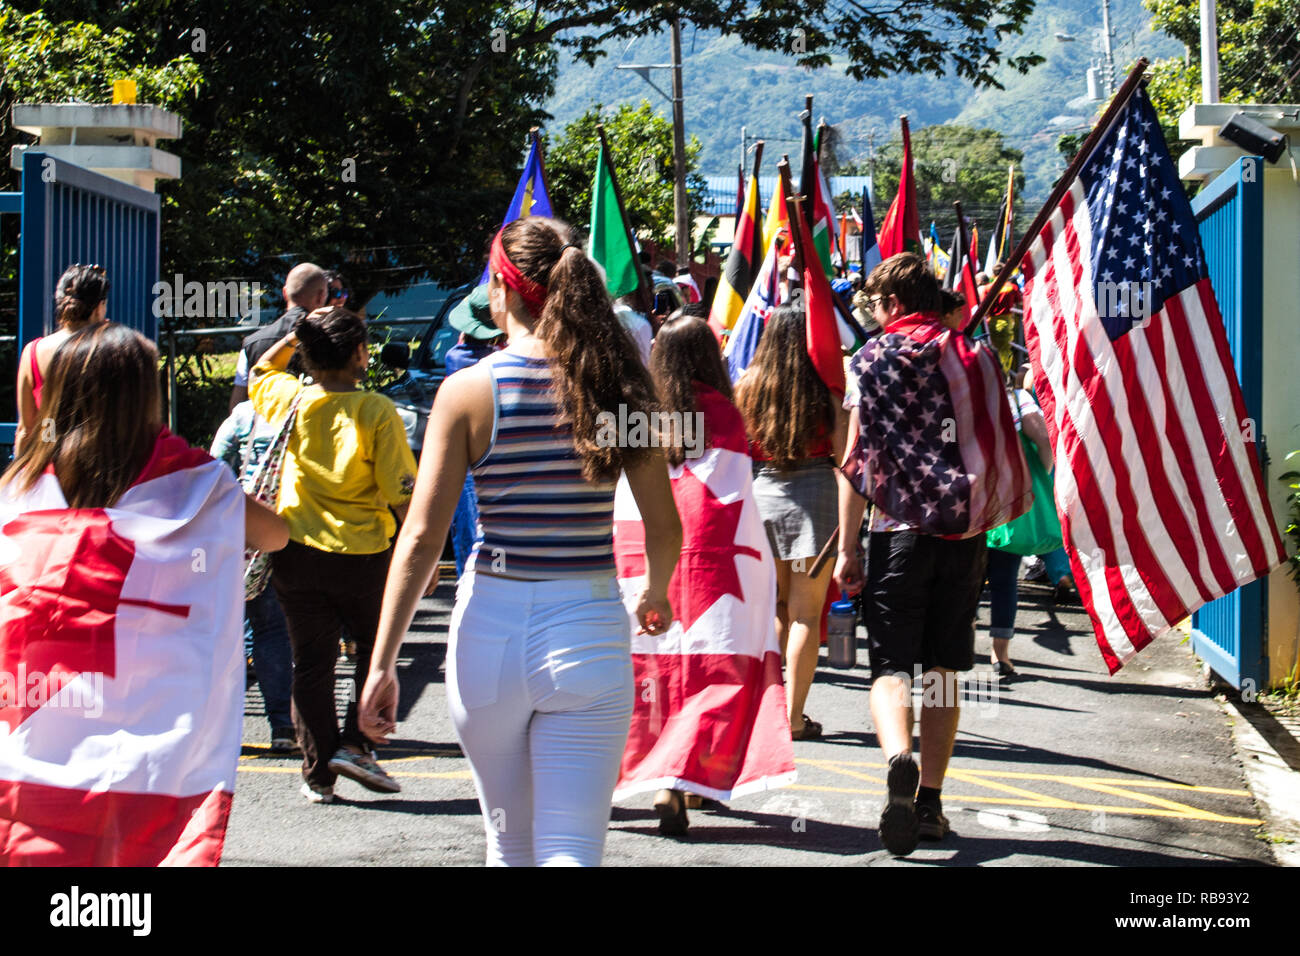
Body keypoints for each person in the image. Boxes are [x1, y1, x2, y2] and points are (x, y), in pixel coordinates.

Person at [359, 216, 682, 866]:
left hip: (491, 633)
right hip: (588, 628)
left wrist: (382, 662)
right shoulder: (618, 388)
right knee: (571, 846)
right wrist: (655, 592)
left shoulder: (468, 391)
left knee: (508, 843)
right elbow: (665, 526)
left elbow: (421, 538)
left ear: (504, 294)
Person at [0, 322, 287, 865]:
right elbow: (276, 535)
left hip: (41, 720)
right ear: (145, 396)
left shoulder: (23, 489)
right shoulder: (199, 486)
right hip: (152, 720)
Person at [836, 252, 1027, 856]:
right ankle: (931, 804)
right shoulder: (974, 354)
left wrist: (847, 549)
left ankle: (899, 759)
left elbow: (855, 461)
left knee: (890, 667)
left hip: (894, 533)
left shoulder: (867, 360)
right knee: (944, 671)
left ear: (891, 304)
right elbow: (998, 433)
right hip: (961, 535)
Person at [613, 308, 794, 834]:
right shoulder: (729, 414)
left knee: (652, 664)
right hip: (721, 557)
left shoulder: (641, 417)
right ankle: (683, 778)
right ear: (710, 359)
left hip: (644, 551)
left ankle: (630, 774)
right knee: (715, 670)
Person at [249, 306, 419, 804]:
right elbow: (400, 492)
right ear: (361, 355)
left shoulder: (291, 400)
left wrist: (295, 337)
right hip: (364, 557)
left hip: (296, 552)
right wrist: (420, 554)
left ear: (308, 355)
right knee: (374, 653)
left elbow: (261, 369)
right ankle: (356, 743)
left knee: (312, 664)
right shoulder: (377, 412)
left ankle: (318, 773)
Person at [735, 304, 849, 741]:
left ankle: (770, 707)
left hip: (762, 496)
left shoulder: (747, 385)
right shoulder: (826, 387)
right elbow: (844, 454)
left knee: (778, 609)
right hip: (817, 495)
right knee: (806, 613)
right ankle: (794, 717)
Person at [210, 401, 297, 751]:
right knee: (272, 630)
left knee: (226, 633)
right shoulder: (300, 406)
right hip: (287, 525)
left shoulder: (244, 414)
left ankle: (221, 729)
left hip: (240, 527)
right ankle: (282, 727)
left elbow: (216, 462)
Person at [14, 264, 109, 454]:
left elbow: (26, 430)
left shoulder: (32, 352)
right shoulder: (108, 350)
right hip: (95, 467)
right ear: (99, 308)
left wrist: (21, 478)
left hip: (48, 465)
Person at [443, 285, 504, 576]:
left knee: (470, 541)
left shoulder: (456, 358)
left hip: (467, 467)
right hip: (494, 467)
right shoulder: (479, 362)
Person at [229, 262, 328, 411]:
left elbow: (236, 405)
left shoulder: (251, 342)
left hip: (263, 429)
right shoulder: (328, 337)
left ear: (284, 293)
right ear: (321, 296)